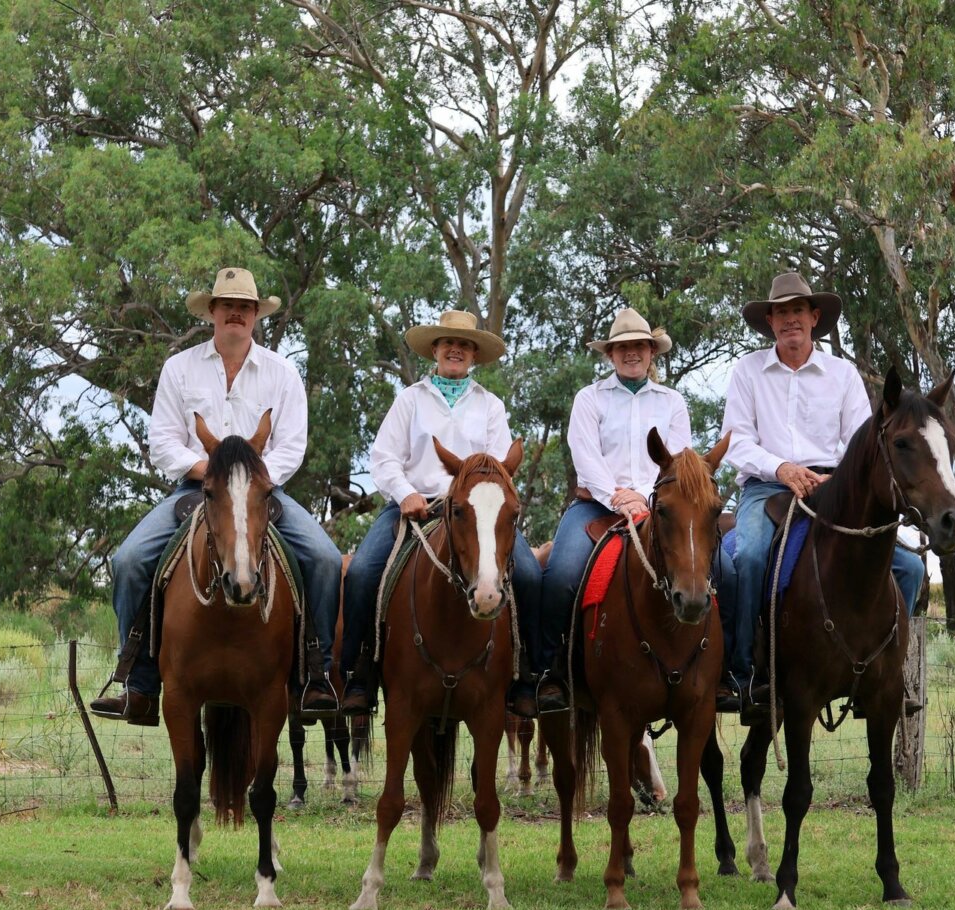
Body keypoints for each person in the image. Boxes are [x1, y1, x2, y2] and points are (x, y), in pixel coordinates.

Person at [91, 267, 343, 725]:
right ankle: (140, 682)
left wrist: (251, 480)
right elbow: (164, 440)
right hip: (196, 490)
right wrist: (215, 473)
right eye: (228, 305)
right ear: (211, 311)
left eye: (245, 307)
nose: (236, 314)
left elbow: (291, 445)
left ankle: (315, 676)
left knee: (325, 559)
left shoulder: (283, 374)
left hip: (263, 493)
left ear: (255, 316)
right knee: (128, 561)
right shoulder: (179, 368)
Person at [720, 272, 926, 709]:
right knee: (750, 557)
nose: (790, 319)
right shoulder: (748, 372)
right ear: (770, 322)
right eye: (781, 312)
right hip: (766, 486)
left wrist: (836, 479)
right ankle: (745, 673)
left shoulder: (842, 374)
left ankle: (887, 671)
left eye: (798, 310)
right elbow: (736, 441)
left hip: (833, 487)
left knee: (909, 568)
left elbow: (862, 440)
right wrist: (782, 468)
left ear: (814, 317)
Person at [336, 310, 543, 717]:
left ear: (474, 355)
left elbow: (501, 467)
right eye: (447, 342)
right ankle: (359, 674)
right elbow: (383, 458)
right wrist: (405, 493)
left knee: (532, 576)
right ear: (435, 349)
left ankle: (527, 675)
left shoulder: (490, 406)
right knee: (361, 573)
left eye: (464, 344)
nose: (455, 349)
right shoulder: (410, 399)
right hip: (416, 507)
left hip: (477, 513)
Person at [531, 308, 701, 715]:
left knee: (716, 569)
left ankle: (723, 670)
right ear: (610, 354)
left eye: (639, 346)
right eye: (622, 347)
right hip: (593, 506)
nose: (631, 354)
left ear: (650, 353)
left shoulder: (672, 402)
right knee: (561, 574)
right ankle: (548, 672)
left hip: (656, 506)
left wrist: (641, 497)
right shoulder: (589, 399)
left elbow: (678, 460)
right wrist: (617, 498)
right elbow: (584, 455)